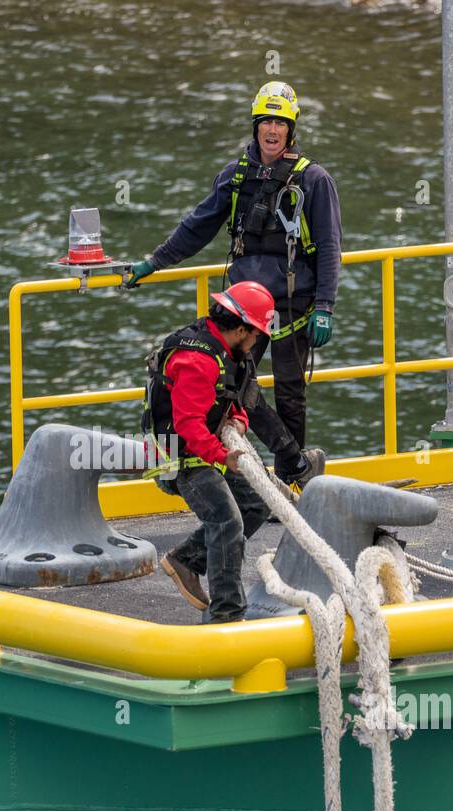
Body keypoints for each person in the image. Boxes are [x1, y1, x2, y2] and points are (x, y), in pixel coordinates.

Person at [127, 80, 340, 490]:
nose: (272, 130)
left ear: (291, 129)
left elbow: (330, 246)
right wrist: (154, 261)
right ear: (255, 126)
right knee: (231, 386)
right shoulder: (237, 176)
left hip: (295, 304)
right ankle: (281, 467)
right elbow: (198, 226)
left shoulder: (314, 180)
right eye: (266, 122)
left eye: (281, 122)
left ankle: (291, 481)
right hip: (243, 310)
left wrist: (325, 307)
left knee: (291, 392)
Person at [141, 281, 276, 623]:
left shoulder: (230, 351)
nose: (259, 339)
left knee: (256, 504)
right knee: (226, 521)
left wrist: (240, 424)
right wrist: (223, 455)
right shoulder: (198, 361)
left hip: (207, 449)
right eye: (257, 332)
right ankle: (227, 615)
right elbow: (187, 424)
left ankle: (187, 560)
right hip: (180, 458)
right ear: (242, 328)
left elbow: (237, 398)